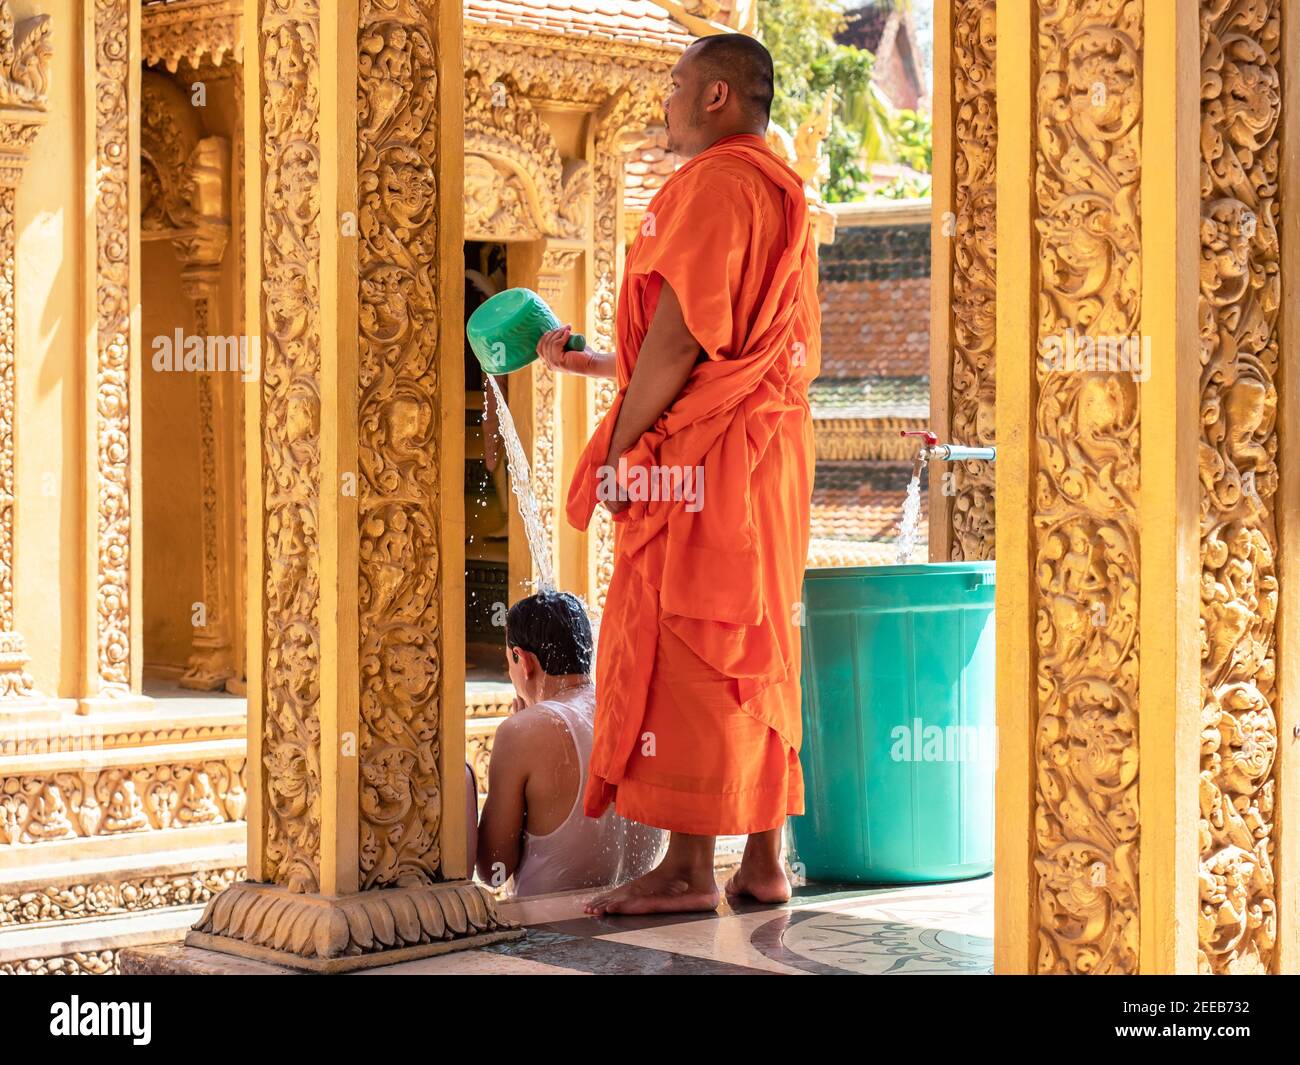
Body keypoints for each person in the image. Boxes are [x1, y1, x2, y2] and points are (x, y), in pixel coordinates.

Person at [536, 32, 821, 915]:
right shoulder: (783, 191)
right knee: (757, 633)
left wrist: (623, 445)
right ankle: (763, 859)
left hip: (705, 460)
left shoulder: (716, 184)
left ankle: (691, 868)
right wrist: (594, 365)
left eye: (674, 84)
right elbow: (724, 347)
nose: (662, 100)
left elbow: (680, 337)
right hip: (767, 453)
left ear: (717, 98)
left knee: (690, 631)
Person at [476, 592, 663, 897]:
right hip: (637, 925)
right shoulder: (637, 710)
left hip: (551, 935)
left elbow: (492, 870)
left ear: (523, 661)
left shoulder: (522, 732)